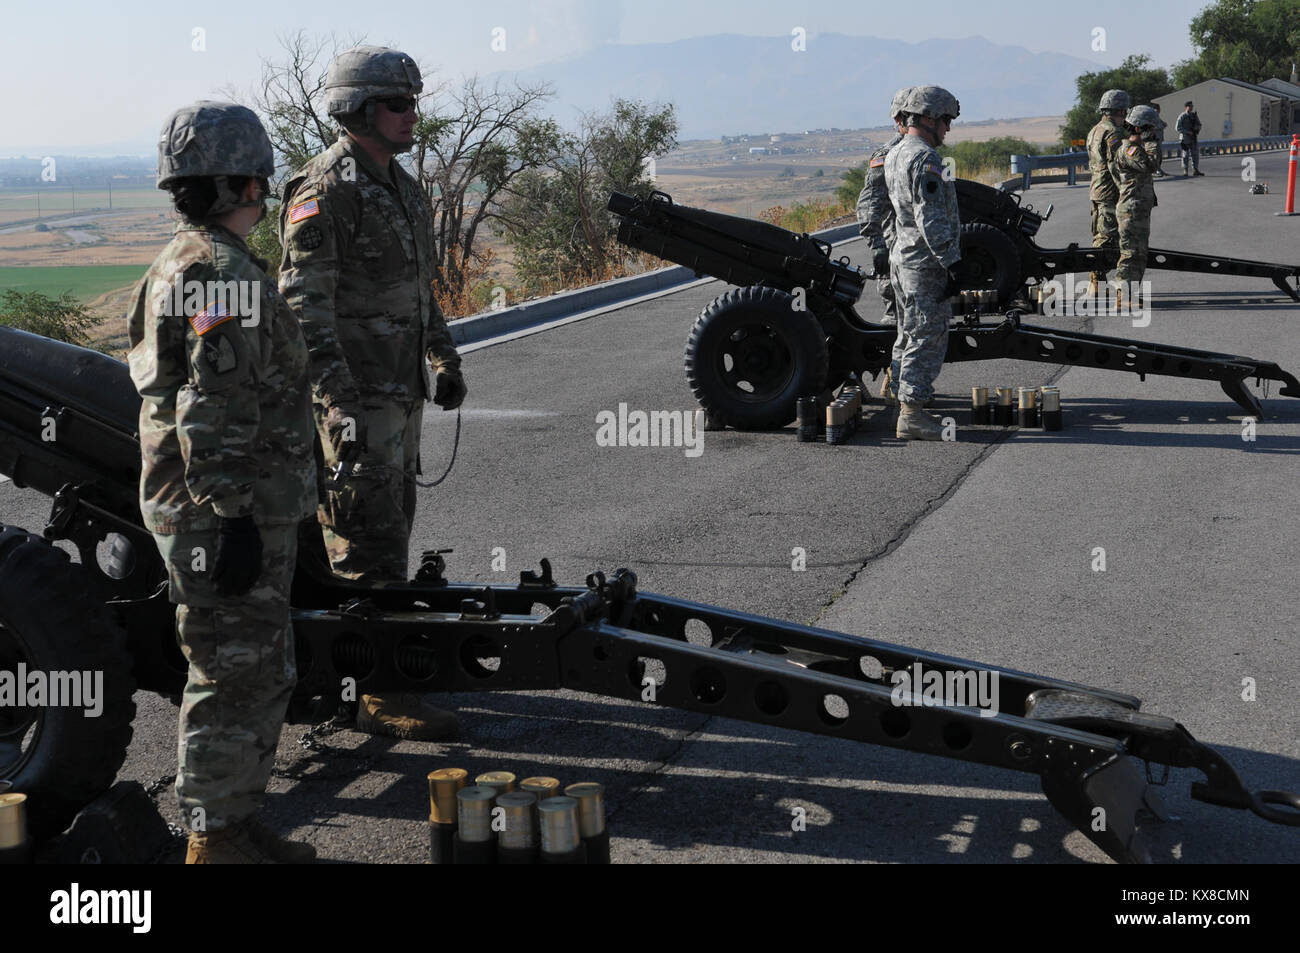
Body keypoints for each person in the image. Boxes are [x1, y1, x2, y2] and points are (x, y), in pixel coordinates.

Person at [127, 102, 318, 863]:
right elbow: (215, 405)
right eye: (259, 181)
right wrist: (235, 516)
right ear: (240, 182)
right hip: (221, 512)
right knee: (232, 672)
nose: (265, 194)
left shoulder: (185, 258)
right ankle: (213, 838)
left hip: (217, 502)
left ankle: (231, 821)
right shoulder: (220, 269)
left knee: (254, 667)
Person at [278, 46, 465, 741]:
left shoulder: (402, 187)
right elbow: (303, 315)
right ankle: (375, 695)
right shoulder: (326, 191)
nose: (412, 114)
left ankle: (383, 678)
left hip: (399, 400)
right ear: (359, 109)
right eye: (398, 103)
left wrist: (441, 356)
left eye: (413, 101)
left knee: (390, 536)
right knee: (363, 548)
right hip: (353, 408)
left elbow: (420, 293)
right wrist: (339, 412)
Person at [884, 85, 962, 441]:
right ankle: (911, 414)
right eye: (945, 121)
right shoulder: (927, 159)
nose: (947, 129)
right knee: (926, 335)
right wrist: (953, 262)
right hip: (924, 264)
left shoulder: (895, 153)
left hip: (903, 259)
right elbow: (931, 218)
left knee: (908, 331)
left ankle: (898, 392)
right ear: (928, 118)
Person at [856, 87, 911, 402]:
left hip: (919, 256)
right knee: (898, 322)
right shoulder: (887, 156)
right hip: (894, 253)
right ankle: (894, 382)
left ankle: (903, 383)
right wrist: (876, 244)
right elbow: (868, 205)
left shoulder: (923, 154)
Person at [1111, 105, 1162, 304]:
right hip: (1130, 210)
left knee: (1139, 253)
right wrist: (1151, 142)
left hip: (1137, 209)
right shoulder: (1130, 149)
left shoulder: (1137, 149)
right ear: (1140, 128)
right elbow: (1151, 165)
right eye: (1151, 129)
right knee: (1130, 252)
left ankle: (1129, 293)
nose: (1155, 133)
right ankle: (1123, 295)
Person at [1085, 89, 1130, 296]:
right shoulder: (1114, 132)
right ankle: (1095, 281)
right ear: (1120, 110)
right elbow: (1116, 165)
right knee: (1106, 238)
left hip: (1097, 189)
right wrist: (1126, 190)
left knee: (1100, 233)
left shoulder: (1095, 130)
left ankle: (1096, 281)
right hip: (1110, 191)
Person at [1176, 101, 1204, 177]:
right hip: (1185, 139)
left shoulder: (1194, 116)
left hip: (1193, 138)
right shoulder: (1182, 116)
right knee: (1185, 155)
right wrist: (1187, 132)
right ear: (1186, 107)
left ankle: (1195, 170)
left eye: (1192, 106)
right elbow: (1177, 128)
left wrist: (1197, 128)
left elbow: (1199, 124)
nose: (1191, 108)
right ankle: (1185, 170)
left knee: (1195, 154)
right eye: (1190, 106)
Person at [1151, 103, 1169, 177]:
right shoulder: (1151, 118)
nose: (1158, 111)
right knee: (1155, 156)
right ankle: (1155, 170)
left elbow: (1163, 124)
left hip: (1159, 139)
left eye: (1158, 109)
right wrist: (1160, 126)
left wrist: (1163, 125)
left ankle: (1159, 169)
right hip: (1154, 140)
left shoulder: (1157, 118)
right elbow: (1153, 127)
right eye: (1156, 109)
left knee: (1160, 156)